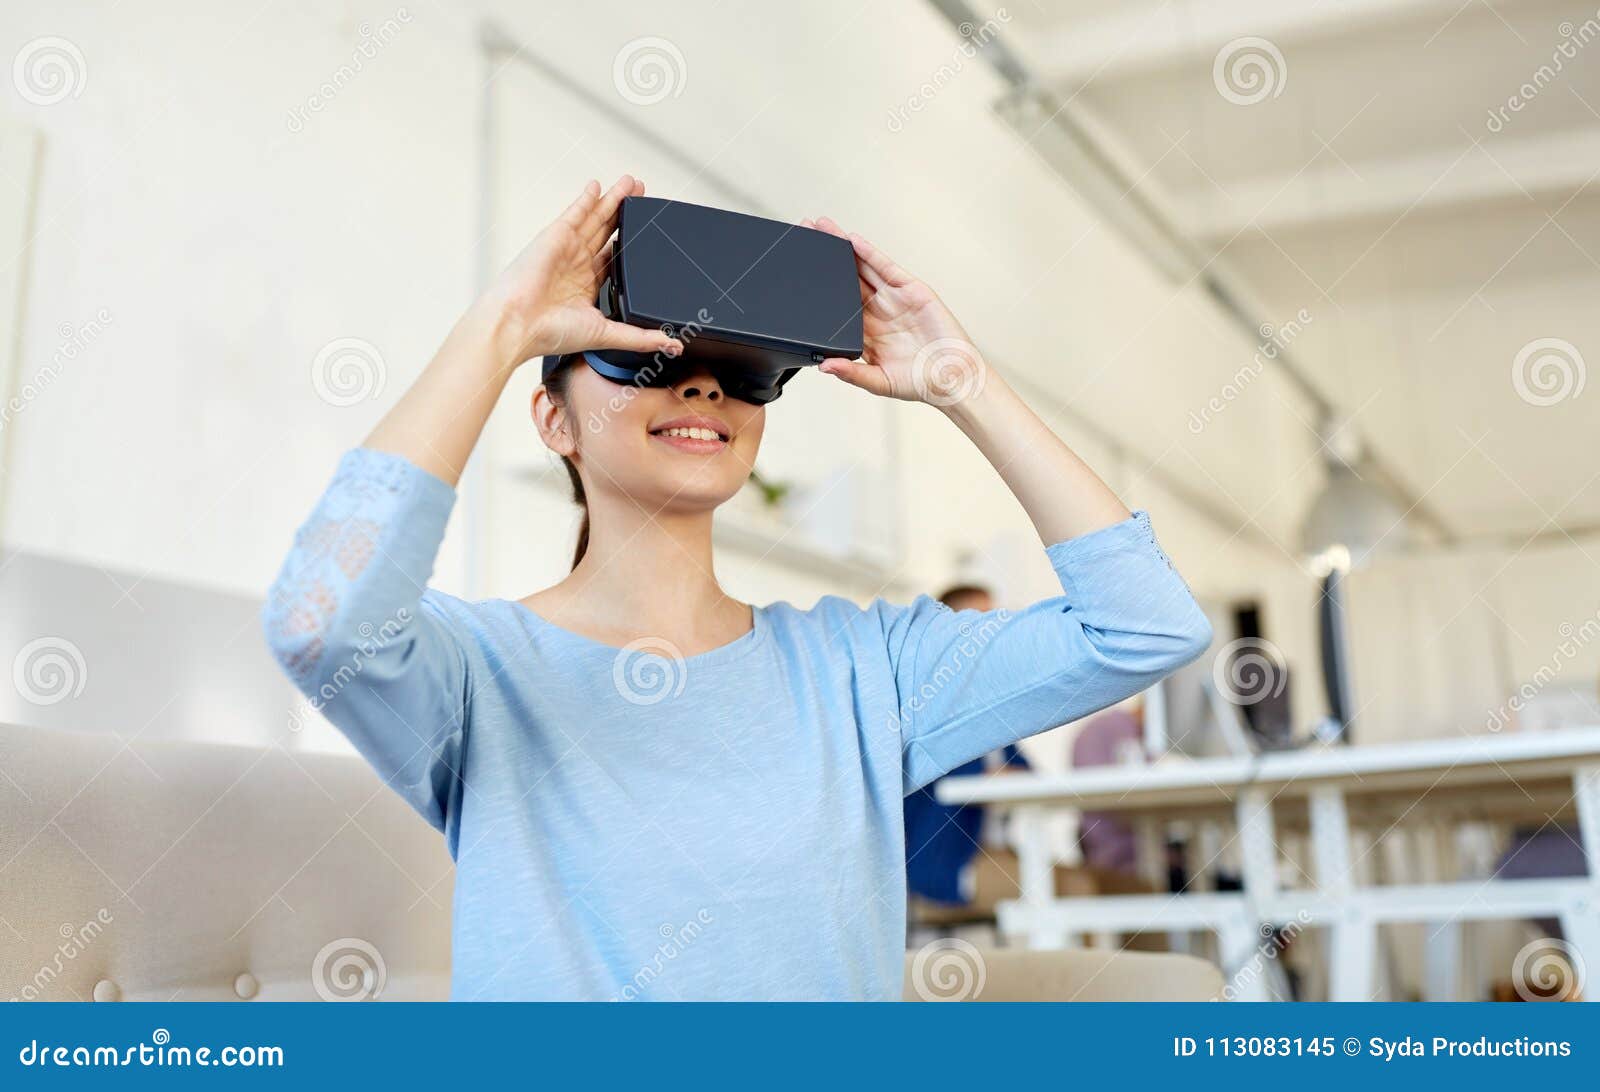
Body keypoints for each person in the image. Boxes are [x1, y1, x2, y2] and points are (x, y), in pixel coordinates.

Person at [262, 175, 1212, 1000]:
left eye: (744, 374)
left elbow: (1146, 626)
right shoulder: (478, 671)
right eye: (646, 357)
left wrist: (962, 381)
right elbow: (319, 622)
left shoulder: (860, 669)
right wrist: (502, 327)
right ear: (553, 418)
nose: (703, 388)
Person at [902, 583, 1031, 908]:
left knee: (1107, 885)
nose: (994, 632)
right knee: (1075, 889)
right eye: (979, 622)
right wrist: (995, 778)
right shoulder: (930, 710)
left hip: (995, 854)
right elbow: (962, 783)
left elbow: (1028, 776)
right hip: (945, 868)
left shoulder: (991, 709)